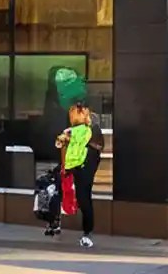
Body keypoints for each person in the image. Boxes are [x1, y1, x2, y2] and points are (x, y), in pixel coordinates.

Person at [45, 101, 104, 248]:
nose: (74, 117)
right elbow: (59, 144)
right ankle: (56, 223)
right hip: (73, 167)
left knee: (84, 199)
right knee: (63, 192)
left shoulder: (91, 129)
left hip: (84, 168)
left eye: (76, 114)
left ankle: (87, 232)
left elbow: (97, 148)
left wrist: (73, 139)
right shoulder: (71, 131)